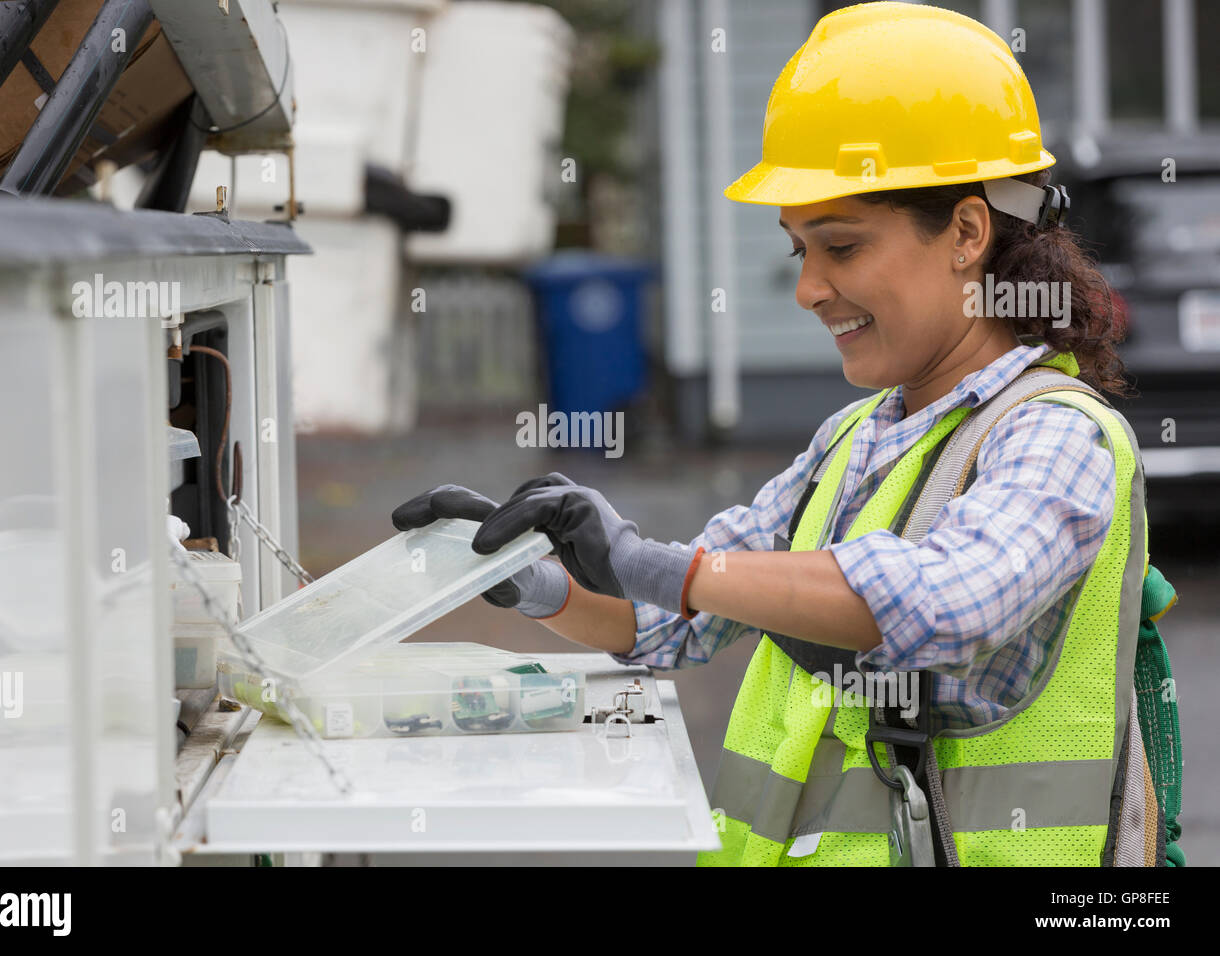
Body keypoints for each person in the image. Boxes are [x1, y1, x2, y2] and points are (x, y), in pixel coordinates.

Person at [391, 2, 1157, 866]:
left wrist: (656, 561)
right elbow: (676, 621)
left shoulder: (1055, 436)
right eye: (800, 251)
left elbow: (950, 603)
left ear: (967, 233)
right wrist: (529, 581)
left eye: (843, 247)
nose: (810, 289)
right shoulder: (857, 438)